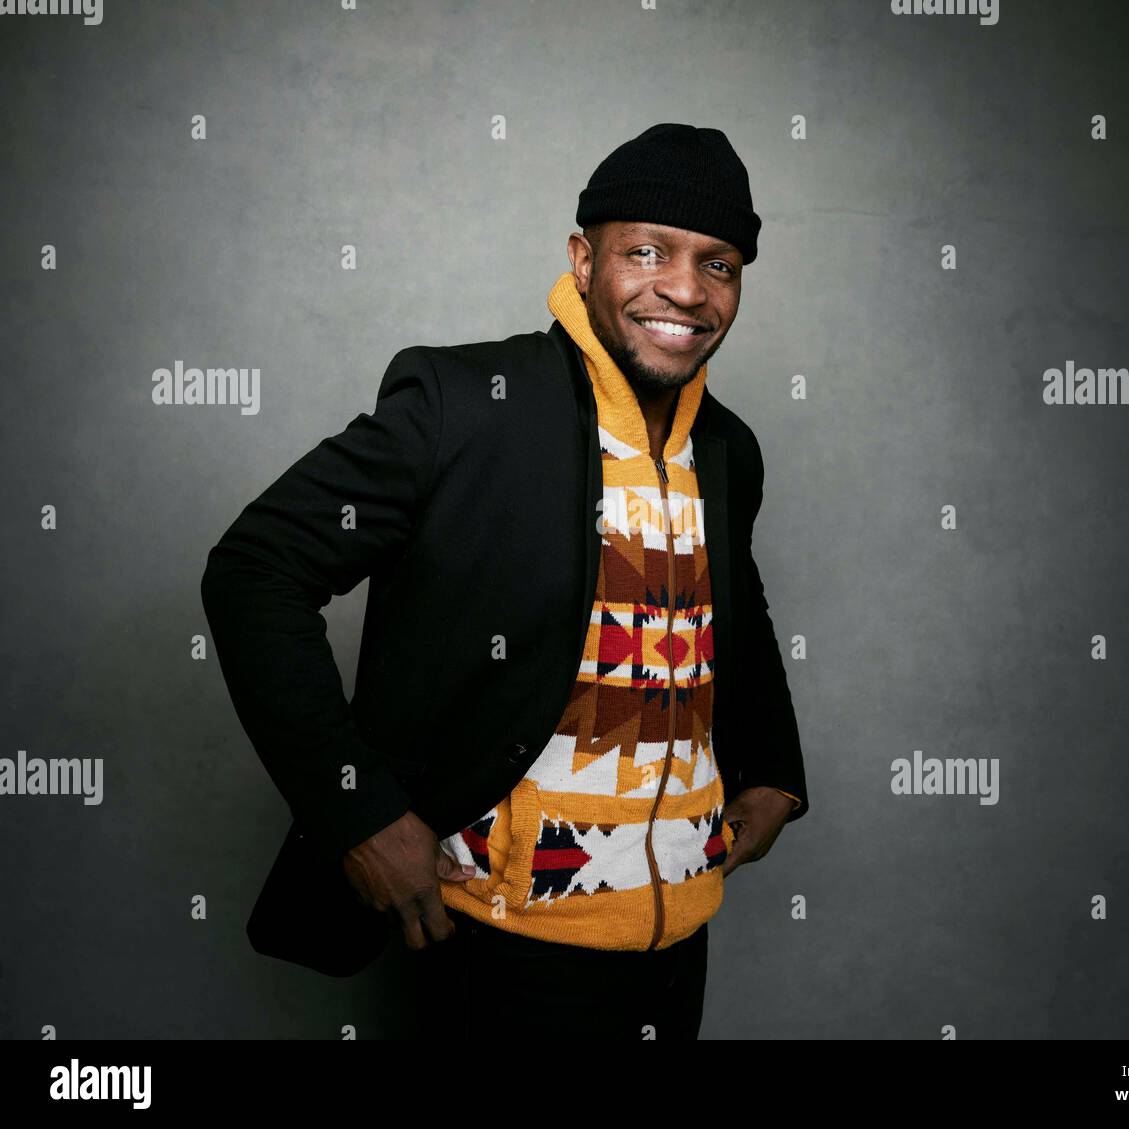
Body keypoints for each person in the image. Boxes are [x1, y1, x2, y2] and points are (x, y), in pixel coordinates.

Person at [201, 122, 809, 1041]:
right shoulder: (462, 406)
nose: (684, 288)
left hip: (679, 936)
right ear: (581, 257)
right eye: (646, 251)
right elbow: (255, 570)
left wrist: (772, 765)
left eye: (717, 264)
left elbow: (735, 605)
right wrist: (356, 810)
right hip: (496, 941)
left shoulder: (727, 448)